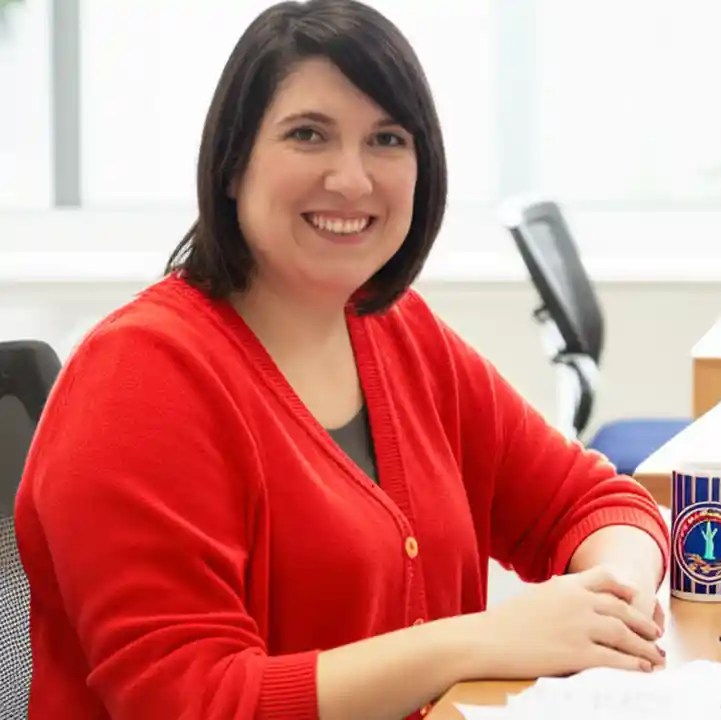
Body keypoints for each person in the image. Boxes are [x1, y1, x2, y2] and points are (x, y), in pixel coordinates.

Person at [13, 1, 670, 718]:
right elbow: (193, 699)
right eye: (308, 135)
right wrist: (479, 641)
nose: (352, 180)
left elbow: (592, 502)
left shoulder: (397, 329)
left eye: (386, 139)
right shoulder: (140, 378)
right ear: (233, 164)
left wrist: (616, 601)